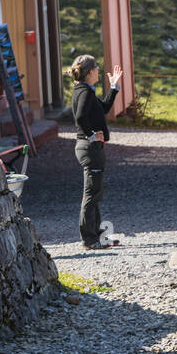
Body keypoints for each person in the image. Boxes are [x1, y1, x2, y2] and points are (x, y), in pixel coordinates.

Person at [69, 54, 122, 250]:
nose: (99, 70)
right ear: (90, 72)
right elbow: (80, 117)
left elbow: (104, 107)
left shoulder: (85, 90)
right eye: (97, 68)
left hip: (90, 148)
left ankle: (98, 235)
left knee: (95, 192)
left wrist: (114, 87)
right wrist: (91, 136)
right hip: (89, 148)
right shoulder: (84, 92)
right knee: (90, 195)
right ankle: (89, 239)